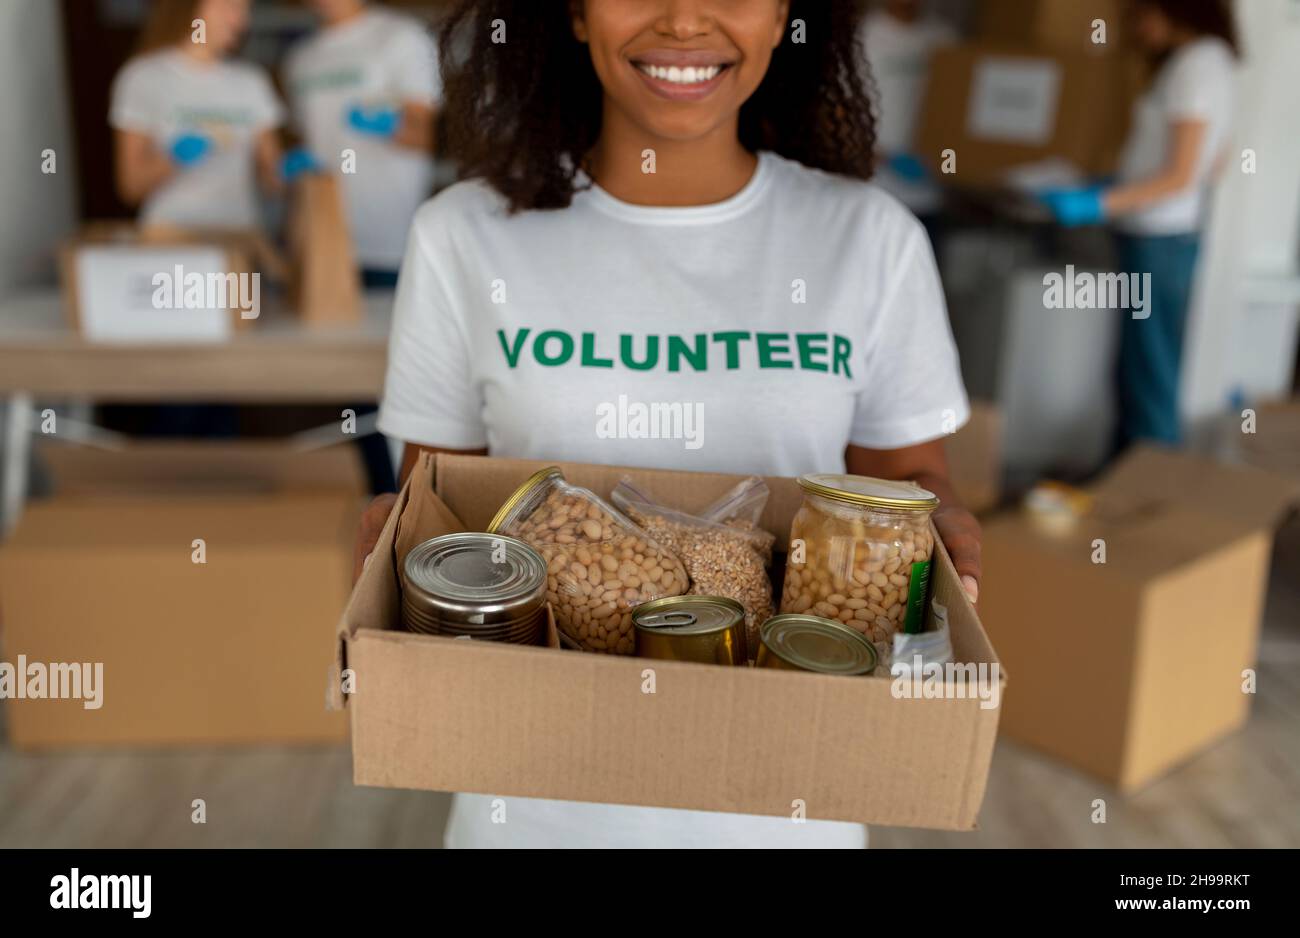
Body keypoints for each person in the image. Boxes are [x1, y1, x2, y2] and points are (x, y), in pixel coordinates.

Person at [356, 0, 981, 848]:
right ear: (573, 13)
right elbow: (441, 500)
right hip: (534, 792)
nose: (686, 20)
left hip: (789, 793)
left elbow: (909, 478)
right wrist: (396, 546)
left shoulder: (868, 239)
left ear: (785, 17)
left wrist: (940, 527)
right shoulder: (464, 236)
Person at [1040, 0, 1239, 448]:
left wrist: (1098, 203)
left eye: (1141, 15)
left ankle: (1146, 486)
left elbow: (1181, 174)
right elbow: (1215, 162)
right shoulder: (1209, 63)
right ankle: (1129, 476)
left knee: (1148, 369)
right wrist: (1119, 183)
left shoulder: (1196, 65)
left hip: (1160, 239)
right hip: (1163, 236)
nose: (1137, 28)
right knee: (1141, 365)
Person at [285, 0, 441, 288]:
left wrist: (393, 126)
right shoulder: (300, 58)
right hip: (324, 243)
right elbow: (305, 138)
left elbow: (428, 138)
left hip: (389, 245)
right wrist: (295, 163)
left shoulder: (401, 37)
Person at [111, 0, 285, 230]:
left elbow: (272, 178)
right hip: (171, 237)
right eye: (230, 7)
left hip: (238, 235)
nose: (242, 21)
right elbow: (130, 187)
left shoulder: (251, 82)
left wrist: (290, 172)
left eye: (245, 10)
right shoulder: (143, 77)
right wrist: (172, 159)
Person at [859, 0, 955, 239]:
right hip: (874, 188)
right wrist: (879, 156)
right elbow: (835, 110)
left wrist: (950, 164)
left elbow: (957, 112)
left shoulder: (945, 39)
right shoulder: (861, 36)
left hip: (929, 193)